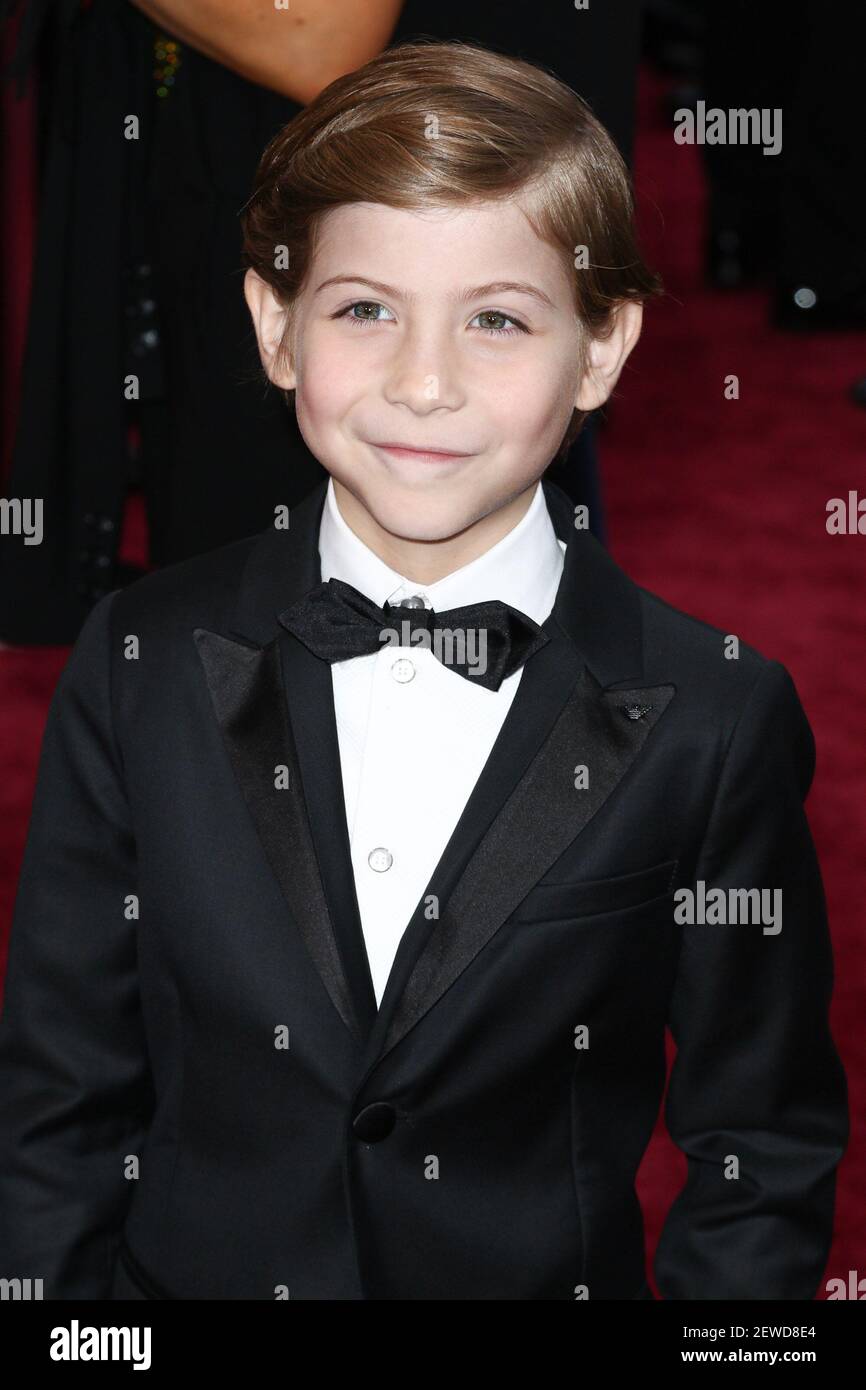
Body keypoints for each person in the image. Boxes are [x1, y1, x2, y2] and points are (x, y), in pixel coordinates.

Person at [0, 40, 847, 1301]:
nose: (423, 381)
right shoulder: (140, 663)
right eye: (363, 309)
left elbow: (758, 1148)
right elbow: (58, 1098)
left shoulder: (711, 715)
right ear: (274, 324)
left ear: (602, 346)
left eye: (497, 319)